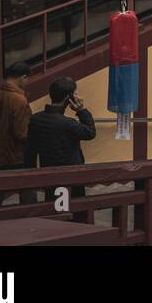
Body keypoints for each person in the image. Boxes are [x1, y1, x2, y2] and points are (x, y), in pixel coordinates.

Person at [26, 77, 96, 221]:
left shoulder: (36, 119)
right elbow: (90, 132)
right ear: (68, 98)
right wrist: (81, 110)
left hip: (48, 172)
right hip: (72, 175)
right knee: (77, 213)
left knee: (54, 211)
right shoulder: (68, 124)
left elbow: (30, 149)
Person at [0, 61, 36, 207]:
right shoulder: (19, 100)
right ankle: (31, 218)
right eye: (27, 79)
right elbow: (22, 132)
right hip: (18, 154)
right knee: (28, 191)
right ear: (23, 77)